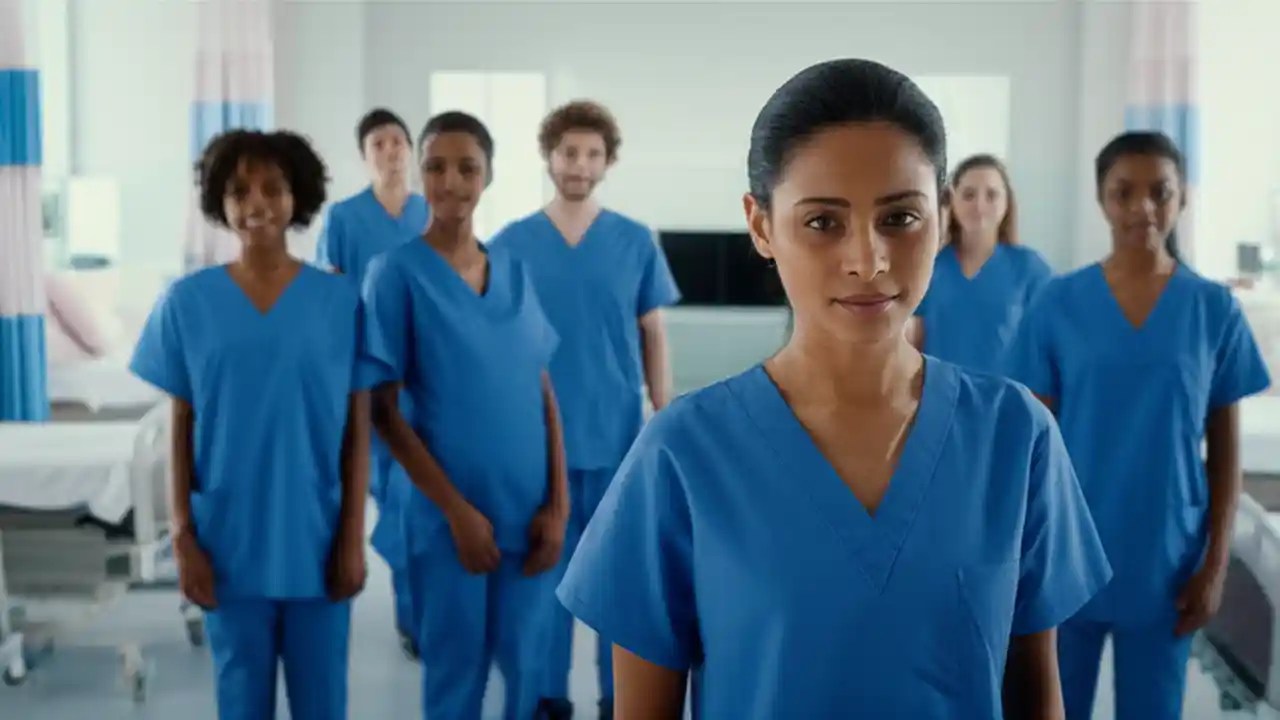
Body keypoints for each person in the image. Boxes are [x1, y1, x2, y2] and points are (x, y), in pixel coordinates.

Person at [555, 58, 1113, 719]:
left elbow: (1035, 698)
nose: (867, 260)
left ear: (940, 217)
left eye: (900, 218)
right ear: (761, 225)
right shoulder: (683, 452)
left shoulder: (1015, 437)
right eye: (823, 222)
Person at [1006, 131, 1272, 719]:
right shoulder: (1057, 303)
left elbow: (1225, 455)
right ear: (1102, 199)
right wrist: (1023, 554)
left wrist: (1215, 567)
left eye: (1160, 192)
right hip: (1068, 551)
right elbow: (1032, 446)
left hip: (1167, 560)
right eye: (1124, 192)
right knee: (1052, 707)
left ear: (1183, 198)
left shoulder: (1213, 309)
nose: (1142, 208)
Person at [129, 129, 371, 720]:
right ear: (220, 202)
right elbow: (181, 426)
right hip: (228, 544)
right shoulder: (188, 303)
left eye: (272, 187)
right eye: (239, 191)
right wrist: (183, 537)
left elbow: (357, 430)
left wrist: (350, 536)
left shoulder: (340, 301)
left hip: (316, 537)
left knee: (323, 705)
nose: (256, 202)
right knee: (240, 705)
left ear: (298, 196)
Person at [362, 111, 569, 720]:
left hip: (528, 514)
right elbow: (383, 411)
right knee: (456, 674)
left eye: (467, 168)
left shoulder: (515, 272)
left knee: (527, 670)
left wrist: (559, 506)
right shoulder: (395, 274)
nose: (451, 181)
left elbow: (543, 390)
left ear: (488, 176)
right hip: (446, 519)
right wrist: (456, 512)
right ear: (419, 175)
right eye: (435, 167)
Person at [487, 99, 680, 720]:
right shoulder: (510, 245)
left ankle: (616, 698)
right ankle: (545, 697)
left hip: (617, 434)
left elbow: (653, 332)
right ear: (549, 156)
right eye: (569, 151)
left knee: (617, 580)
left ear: (607, 162)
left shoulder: (634, 241)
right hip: (534, 444)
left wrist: (664, 414)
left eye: (592, 153)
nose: (579, 164)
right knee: (541, 578)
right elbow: (494, 344)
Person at [316, 107, 430, 659]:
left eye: (397, 140)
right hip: (367, 375)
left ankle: (422, 613)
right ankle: (413, 613)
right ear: (365, 157)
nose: (390, 150)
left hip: (427, 375)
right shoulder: (344, 219)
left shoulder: (430, 212)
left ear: (411, 149)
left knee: (424, 496)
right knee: (392, 495)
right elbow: (332, 299)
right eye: (378, 143)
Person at [908, 154, 1052, 374]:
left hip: (1007, 393)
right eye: (968, 195)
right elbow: (912, 343)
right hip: (940, 390)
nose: (979, 205)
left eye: (991, 195)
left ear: (1007, 203)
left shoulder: (1029, 268)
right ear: (951, 202)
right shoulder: (929, 266)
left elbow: (1050, 345)